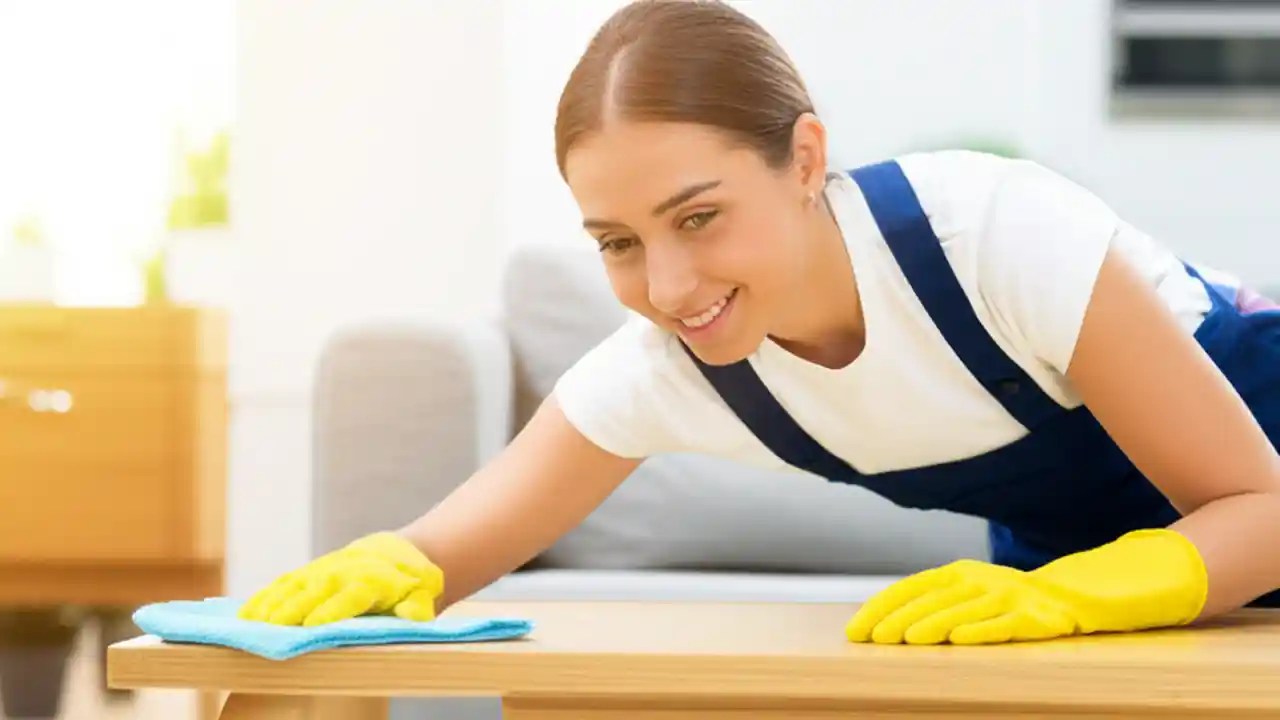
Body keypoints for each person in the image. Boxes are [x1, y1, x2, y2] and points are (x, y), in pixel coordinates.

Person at [238, 0, 1280, 645]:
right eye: (618, 242)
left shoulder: (990, 235)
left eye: (699, 217)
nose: (668, 286)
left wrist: (1090, 592)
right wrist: (390, 569)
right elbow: (442, 553)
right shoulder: (668, 369)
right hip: (1107, 599)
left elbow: (1260, 510)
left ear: (806, 159)